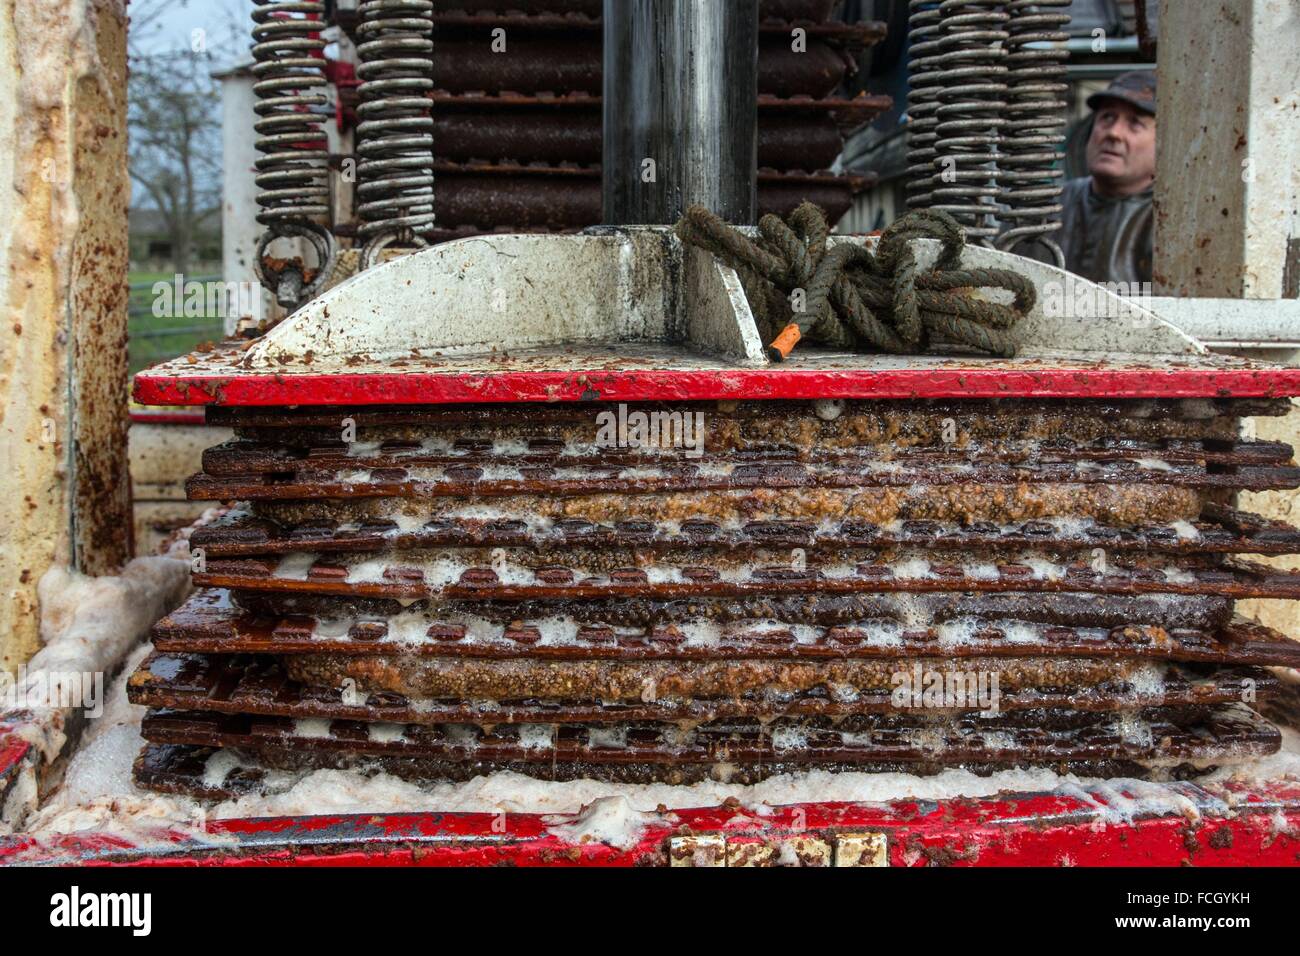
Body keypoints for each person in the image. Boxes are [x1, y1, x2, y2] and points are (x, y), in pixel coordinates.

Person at [1048, 70, 1157, 286]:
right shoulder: (1048, 207)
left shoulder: (1170, 222)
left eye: (1134, 123)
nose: (1114, 133)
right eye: (1107, 117)